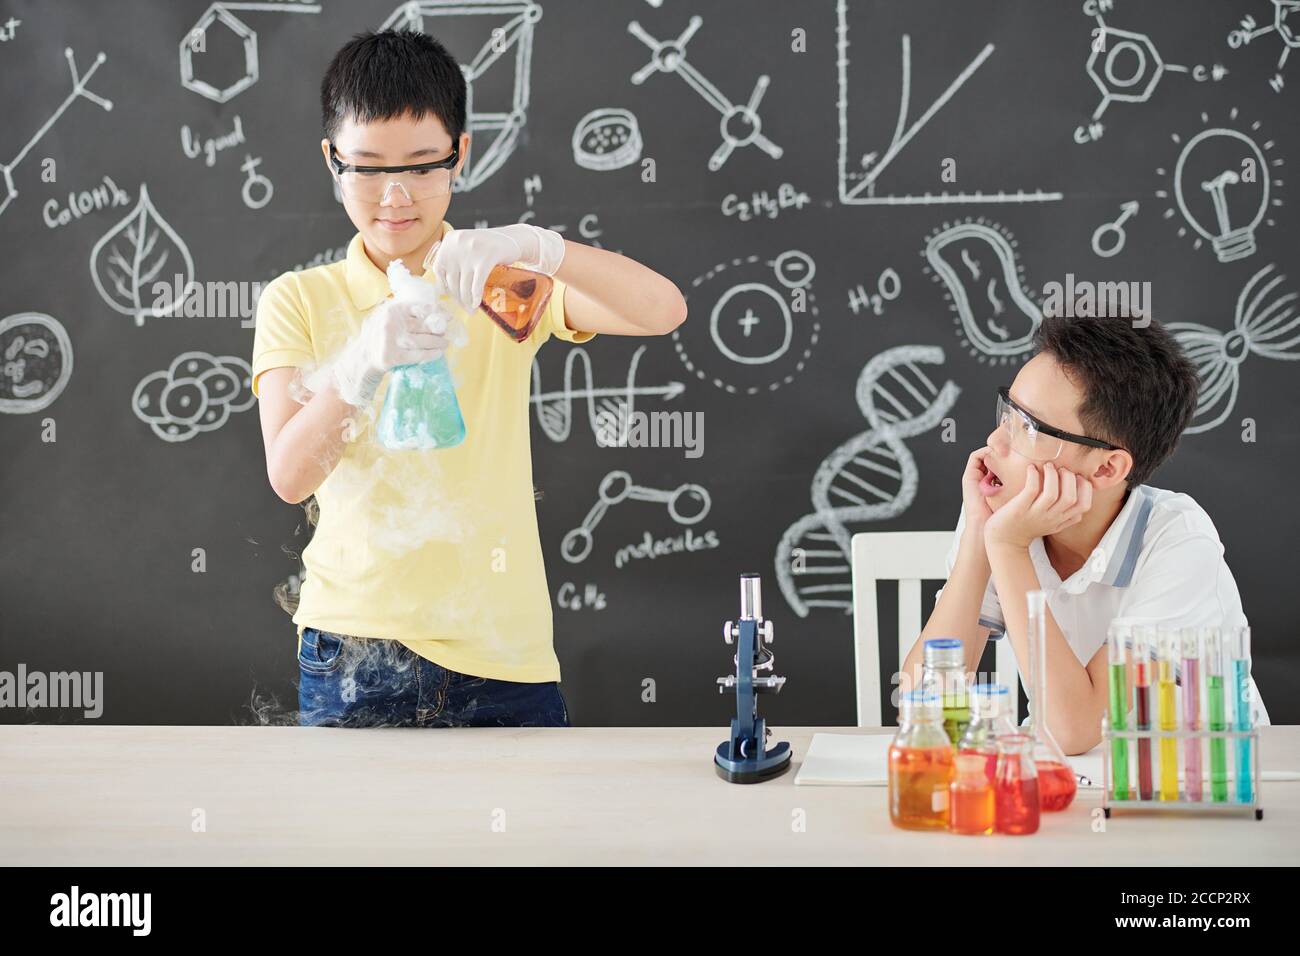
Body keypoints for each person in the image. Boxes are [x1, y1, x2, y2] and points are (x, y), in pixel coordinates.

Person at [251, 30, 686, 727]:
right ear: (332, 160)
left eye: (423, 166)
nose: (394, 196)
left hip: (503, 656)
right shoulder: (299, 299)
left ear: (462, 154)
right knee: (356, 841)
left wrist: (537, 247)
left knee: (525, 840)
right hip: (354, 651)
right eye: (366, 168)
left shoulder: (496, 283)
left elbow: (663, 310)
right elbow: (291, 476)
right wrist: (362, 361)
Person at [904, 315, 1269, 755]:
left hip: (1199, 784)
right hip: (1076, 786)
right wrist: (980, 536)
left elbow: (1073, 730)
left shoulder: (1179, 542)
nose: (994, 444)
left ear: (1106, 468)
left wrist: (1006, 547)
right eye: (1007, 414)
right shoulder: (1003, 514)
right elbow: (925, 708)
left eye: (1029, 428)